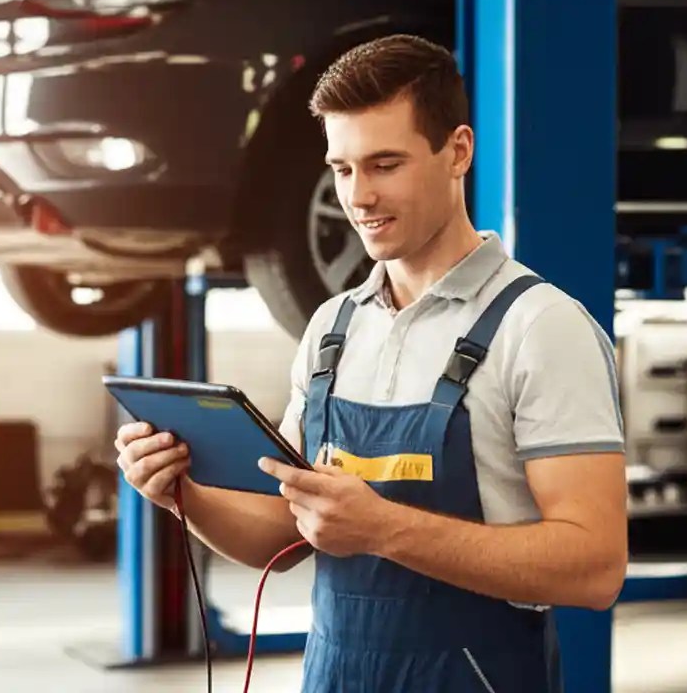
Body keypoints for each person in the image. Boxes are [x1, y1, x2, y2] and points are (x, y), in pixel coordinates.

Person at [115, 34, 627, 692]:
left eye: (385, 165)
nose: (358, 197)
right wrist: (182, 495)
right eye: (343, 168)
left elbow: (594, 568)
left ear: (458, 152)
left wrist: (384, 529)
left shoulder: (540, 328)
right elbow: (281, 531)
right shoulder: (333, 329)